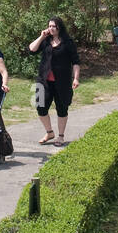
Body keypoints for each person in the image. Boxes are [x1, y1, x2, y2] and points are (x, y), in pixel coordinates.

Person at [28, 17, 80, 145]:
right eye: (49, 26)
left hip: (62, 82)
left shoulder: (68, 42)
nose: (51, 28)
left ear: (59, 27)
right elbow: (32, 49)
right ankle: (49, 132)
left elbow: (76, 62)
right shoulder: (45, 41)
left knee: (62, 109)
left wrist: (76, 78)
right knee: (40, 107)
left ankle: (61, 136)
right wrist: (41, 36)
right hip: (43, 81)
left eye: (54, 26)